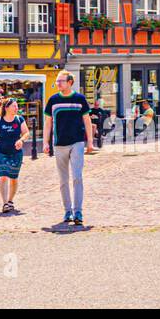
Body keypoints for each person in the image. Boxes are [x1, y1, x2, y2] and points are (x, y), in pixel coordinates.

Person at [43, 70, 94, 226]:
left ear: (70, 82)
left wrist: (90, 141)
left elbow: (87, 121)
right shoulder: (53, 100)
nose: (58, 84)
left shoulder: (80, 99)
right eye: (57, 81)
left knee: (77, 177)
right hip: (59, 144)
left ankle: (78, 211)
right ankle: (67, 211)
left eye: (61, 81)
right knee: (63, 180)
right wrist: (45, 142)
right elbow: (48, 122)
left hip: (77, 142)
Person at [0, 97, 28, 213]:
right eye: (14, 106)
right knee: (4, 176)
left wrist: (21, 140)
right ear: (6, 108)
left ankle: (10, 200)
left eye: (17, 106)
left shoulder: (19, 119)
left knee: (14, 178)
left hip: (15, 153)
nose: (16, 108)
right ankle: (5, 203)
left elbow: (26, 133)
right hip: (0, 152)